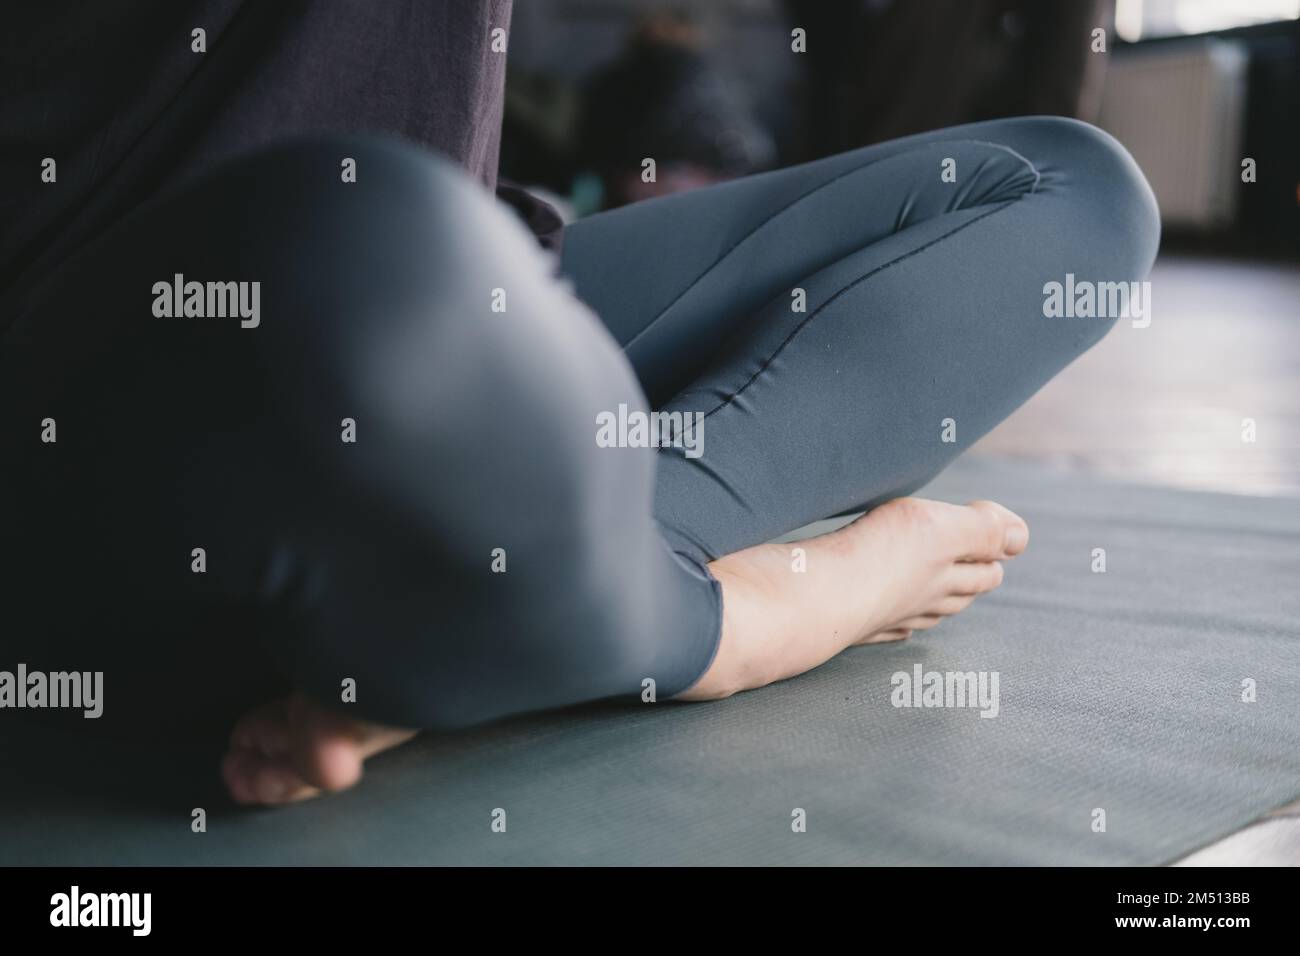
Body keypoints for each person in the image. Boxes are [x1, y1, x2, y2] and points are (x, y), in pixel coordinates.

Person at [0, 1, 1158, 806]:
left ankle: (505, 610)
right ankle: (723, 624)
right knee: (360, 235)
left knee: (1077, 190)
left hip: (489, 278)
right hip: (142, 357)